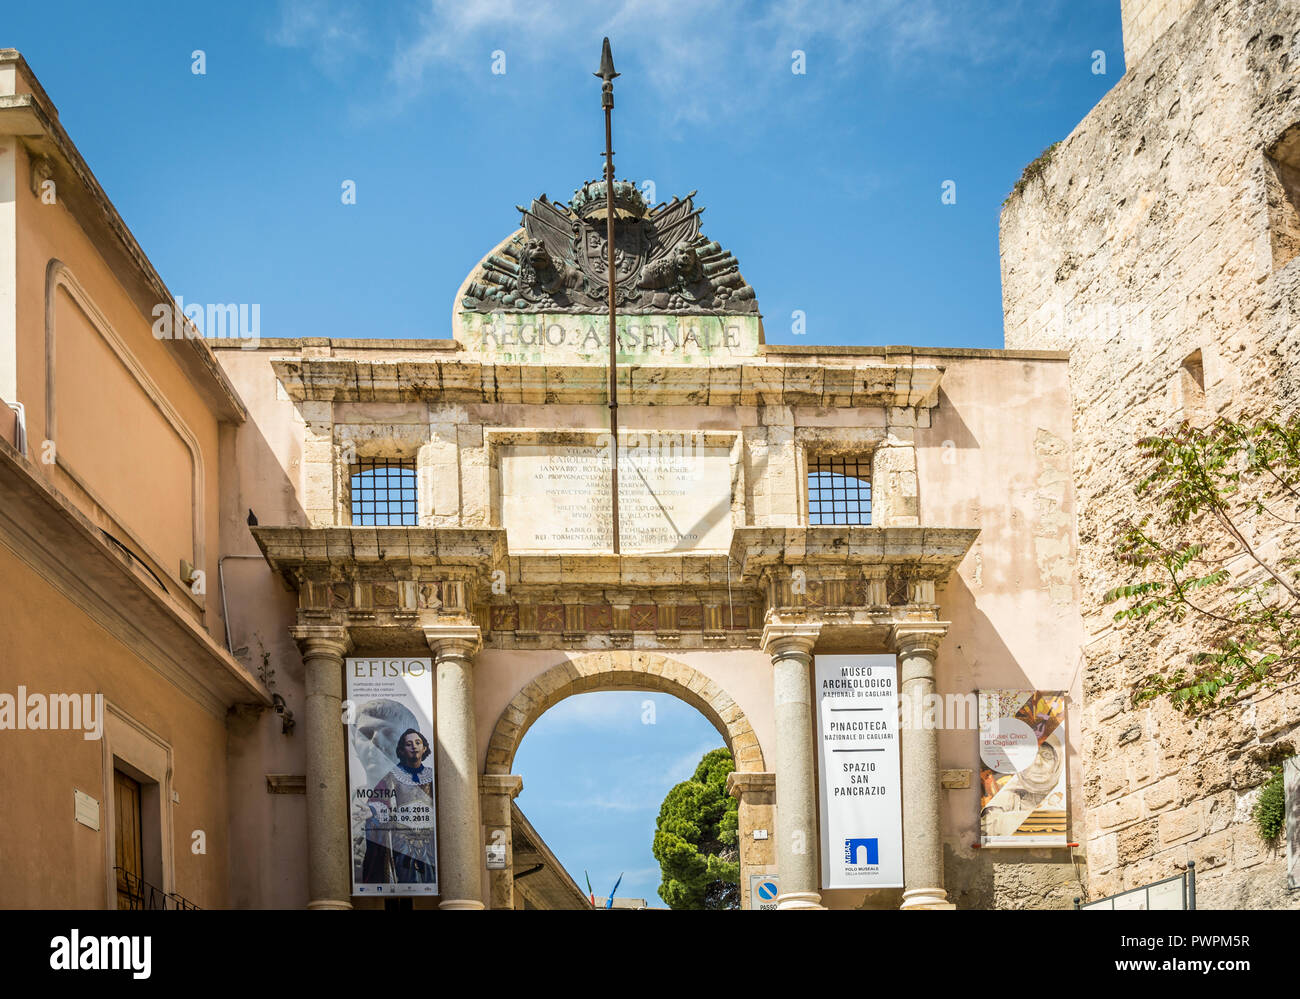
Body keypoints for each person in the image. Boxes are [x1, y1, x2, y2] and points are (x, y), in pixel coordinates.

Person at [360, 728, 437, 886]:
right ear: (402, 750)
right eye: (409, 744)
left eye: (418, 743)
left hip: (430, 842)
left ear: (424, 748)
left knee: (431, 880)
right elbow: (379, 799)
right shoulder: (393, 776)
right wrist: (372, 810)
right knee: (407, 881)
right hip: (403, 842)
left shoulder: (433, 777)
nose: (414, 747)